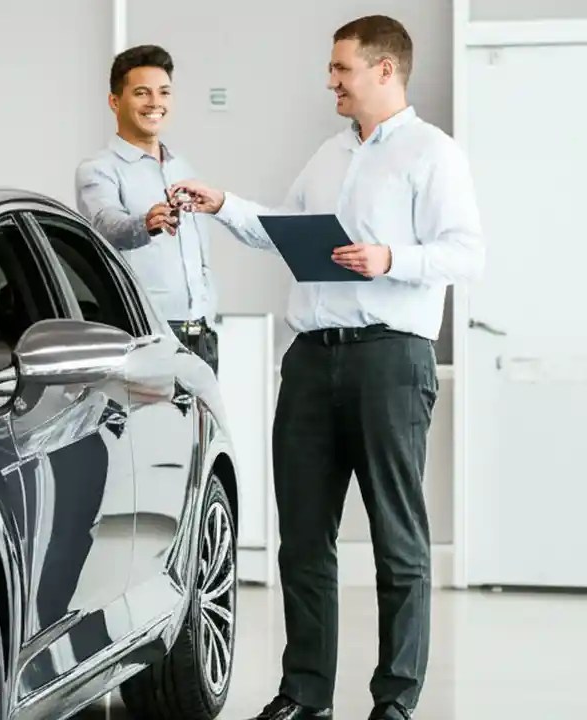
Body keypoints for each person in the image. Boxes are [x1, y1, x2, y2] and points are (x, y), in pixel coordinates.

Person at [170, 15, 484, 720]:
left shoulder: (433, 154)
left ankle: (396, 700)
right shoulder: (329, 155)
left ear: (384, 70)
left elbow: (468, 253)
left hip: (390, 361)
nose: (331, 80)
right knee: (302, 539)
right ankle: (304, 695)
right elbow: (284, 226)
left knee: (396, 539)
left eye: (342, 69)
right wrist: (223, 205)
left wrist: (391, 259)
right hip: (311, 361)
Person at [75, 44, 220, 373]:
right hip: (146, 336)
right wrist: (145, 224)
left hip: (201, 336)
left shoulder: (182, 166)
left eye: (164, 93)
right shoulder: (99, 169)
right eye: (142, 93)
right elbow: (106, 225)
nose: (155, 103)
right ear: (115, 102)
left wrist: (209, 307)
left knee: (204, 427)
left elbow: (198, 252)